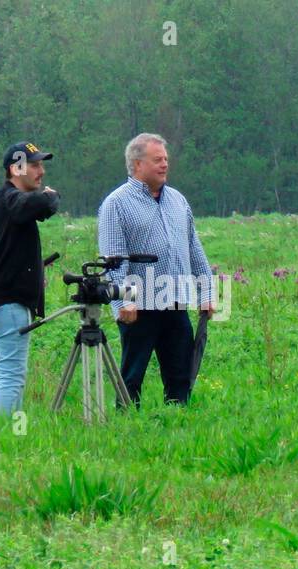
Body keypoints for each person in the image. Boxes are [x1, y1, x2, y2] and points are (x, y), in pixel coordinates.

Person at [97, 132, 214, 405]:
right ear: (137, 164)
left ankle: (176, 424)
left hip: (175, 302)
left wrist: (206, 292)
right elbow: (113, 258)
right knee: (132, 376)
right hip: (139, 306)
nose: (164, 165)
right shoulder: (117, 203)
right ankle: (127, 429)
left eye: (166, 159)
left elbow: (194, 249)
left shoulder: (178, 200)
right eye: (157, 160)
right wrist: (123, 302)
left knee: (181, 375)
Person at [0, 142, 60, 414]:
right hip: (8, 303)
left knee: (14, 375)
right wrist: (51, 196)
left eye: (41, 164)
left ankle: (13, 437)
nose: (41, 171)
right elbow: (37, 205)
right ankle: (2, 440)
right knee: (11, 376)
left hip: (1, 300)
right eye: (34, 165)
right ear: (15, 168)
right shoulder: (11, 200)